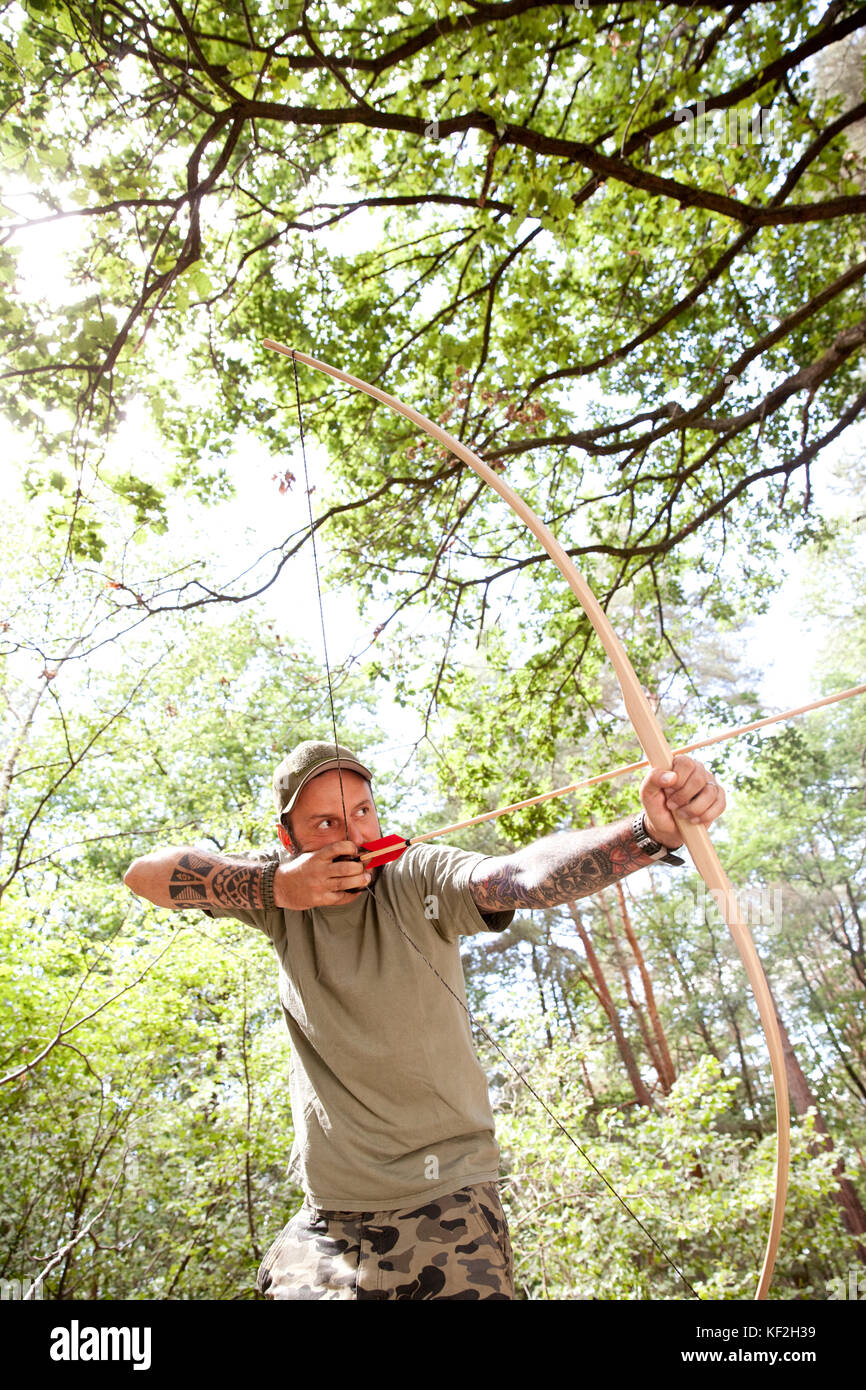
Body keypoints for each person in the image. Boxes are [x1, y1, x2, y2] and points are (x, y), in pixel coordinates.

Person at [124, 738, 725, 1300]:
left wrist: (648, 835)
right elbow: (144, 875)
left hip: (447, 1201)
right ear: (288, 838)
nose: (353, 834)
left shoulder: (416, 876)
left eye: (362, 812)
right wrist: (279, 885)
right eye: (326, 823)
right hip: (329, 1216)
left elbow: (521, 876)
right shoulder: (279, 895)